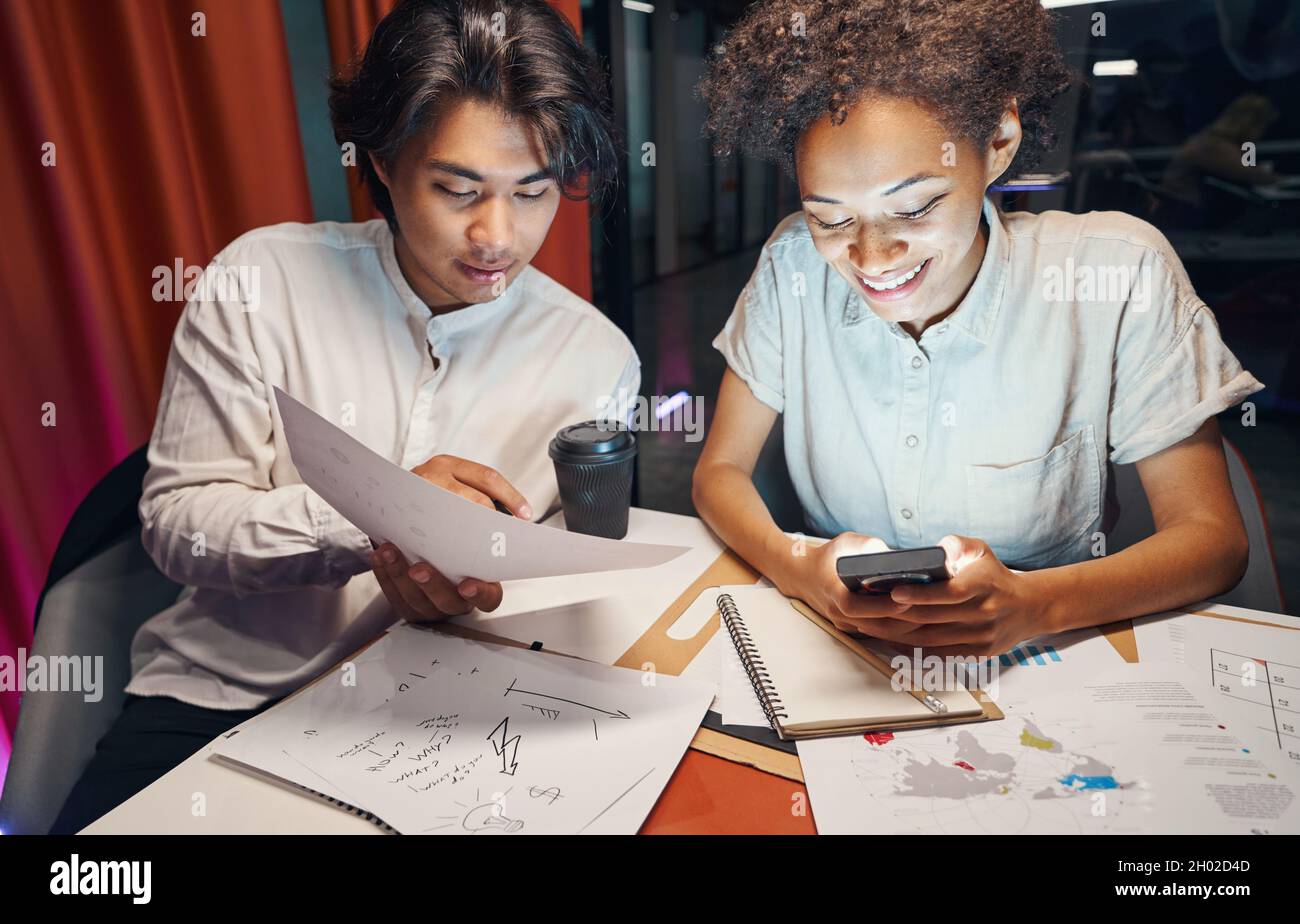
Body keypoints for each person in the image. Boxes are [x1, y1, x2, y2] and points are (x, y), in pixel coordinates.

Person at [51, 0, 633, 833]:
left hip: (442, 706)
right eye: (457, 188)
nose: (496, 236)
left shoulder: (594, 356)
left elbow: (544, 579)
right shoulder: (262, 281)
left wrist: (469, 590)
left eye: (533, 192)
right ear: (385, 165)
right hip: (225, 698)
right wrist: (379, 514)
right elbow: (177, 527)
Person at [691, 0, 1263, 658]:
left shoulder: (1116, 274)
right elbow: (719, 472)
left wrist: (1035, 605)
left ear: (999, 142)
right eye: (831, 219)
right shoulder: (792, 265)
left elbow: (1214, 543)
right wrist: (800, 569)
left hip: (1047, 659)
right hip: (843, 651)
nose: (872, 257)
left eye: (915, 205)